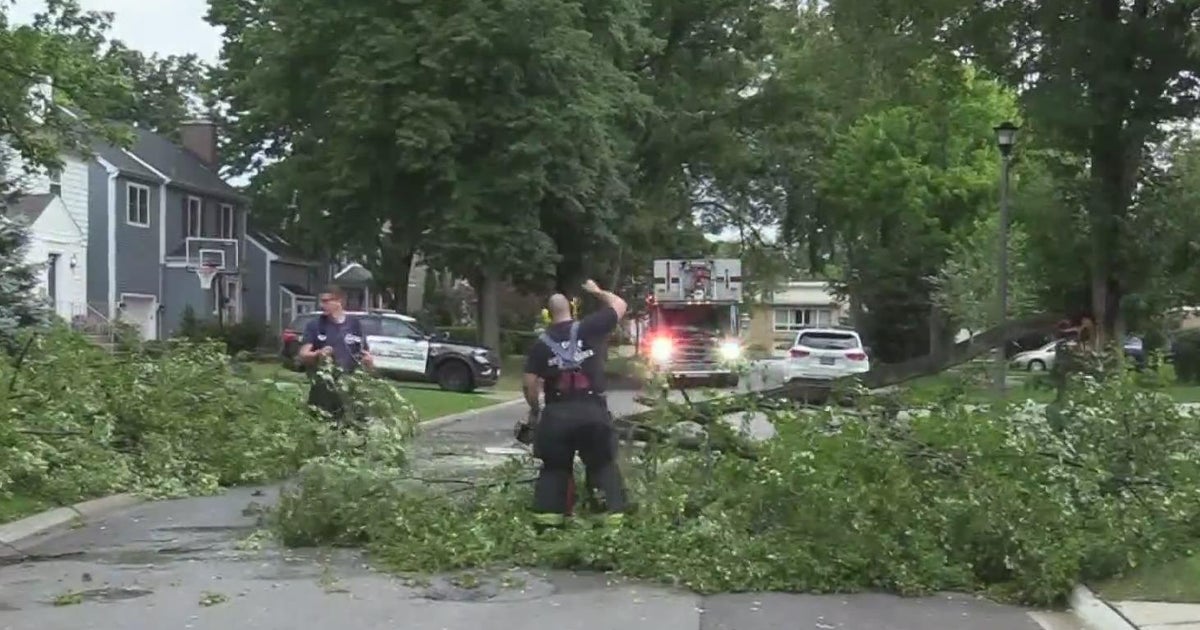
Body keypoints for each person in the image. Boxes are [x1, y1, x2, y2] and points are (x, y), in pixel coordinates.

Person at [521, 279, 628, 528]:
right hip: (593, 412)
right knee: (602, 464)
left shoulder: (540, 345)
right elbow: (620, 305)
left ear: (548, 314)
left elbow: (529, 384)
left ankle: (549, 526)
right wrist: (597, 292)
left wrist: (536, 411)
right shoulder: (590, 328)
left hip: (557, 415)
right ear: (572, 308)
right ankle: (610, 523)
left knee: (555, 469)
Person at [297, 284, 374, 425]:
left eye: (326, 301)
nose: (322, 305)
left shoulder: (355, 325)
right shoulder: (315, 325)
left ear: (339, 301)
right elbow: (303, 355)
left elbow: (364, 355)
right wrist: (318, 354)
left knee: (351, 431)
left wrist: (368, 362)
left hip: (349, 390)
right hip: (322, 391)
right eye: (321, 301)